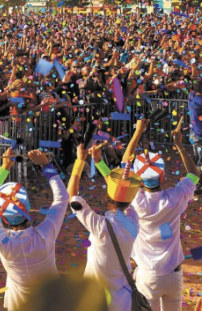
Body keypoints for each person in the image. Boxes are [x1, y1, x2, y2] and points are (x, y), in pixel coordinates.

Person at [67, 118, 147, 311]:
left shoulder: (100, 226)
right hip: (122, 301)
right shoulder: (134, 218)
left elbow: (71, 195)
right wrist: (99, 162)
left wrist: (80, 161)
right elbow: (119, 189)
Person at [0, 147, 68, 311]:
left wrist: (4, 167)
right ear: (27, 209)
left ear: (3, 218)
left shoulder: (2, 241)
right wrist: (45, 165)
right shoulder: (45, 235)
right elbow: (62, 197)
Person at [130, 119, 199, 311]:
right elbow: (193, 173)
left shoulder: (136, 201)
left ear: (139, 180)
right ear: (162, 177)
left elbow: (124, 165)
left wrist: (138, 132)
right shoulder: (175, 198)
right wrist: (179, 145)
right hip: (173, 275)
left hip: (148, 275)